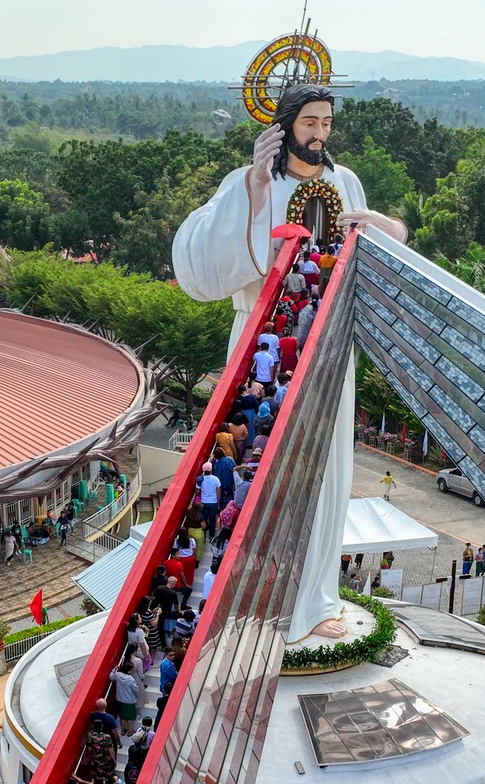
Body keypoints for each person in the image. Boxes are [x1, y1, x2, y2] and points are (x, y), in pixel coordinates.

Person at [174, 83, 406, 644]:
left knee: (325, 473)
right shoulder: (249, 181)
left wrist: (377, 225)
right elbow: (205, 265)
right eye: (309, 122)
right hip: (262, 338)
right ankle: (255, 596)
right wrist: (255, 189)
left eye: (327, 122)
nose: (319, 133)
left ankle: (317, 597)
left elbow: (381, 245)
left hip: (329, 342)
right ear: (284, 125)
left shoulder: (344, 181)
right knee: (263, 466)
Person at [110, 660, 143, 736]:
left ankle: (122, 731)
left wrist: (114, 669)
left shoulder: (118, 675)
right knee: (130, 717)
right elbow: (135, 689)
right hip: (129, 700)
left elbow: (111, 677)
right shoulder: (130, 679)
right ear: (129, 670)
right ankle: (130, 731)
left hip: (120, 699)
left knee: (122, 716)